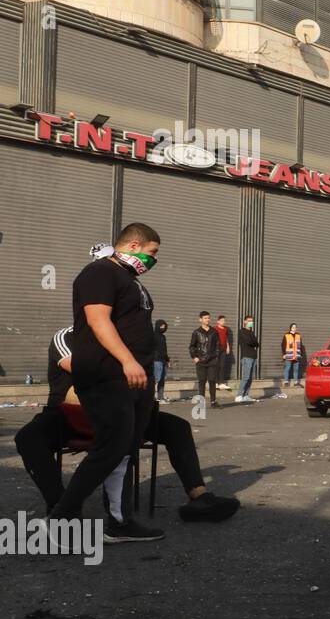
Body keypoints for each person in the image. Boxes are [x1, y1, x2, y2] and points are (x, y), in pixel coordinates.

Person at [17, 326, 240, 533]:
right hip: (69, 413)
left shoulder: (122, 340)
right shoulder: (66, 336)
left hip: (119, 413)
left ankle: (199, 497)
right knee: (28, 437)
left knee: (177, 427)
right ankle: (62, 508)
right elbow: (82, 369)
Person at [47, 224, 162, 530]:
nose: (154, 260)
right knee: (111, 445)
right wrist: (127, 361)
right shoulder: (99, 273)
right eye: (153, 253)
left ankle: (119, 520)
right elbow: (98, 321)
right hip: (106, 374)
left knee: (124, 449)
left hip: (134, 379)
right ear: (134, 245)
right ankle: (62, 516)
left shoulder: (129, 280)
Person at [189, 311, 220, 409]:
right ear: (200, 319)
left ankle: (213, 402)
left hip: (212, 361)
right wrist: (194, 357)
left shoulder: (214, 331)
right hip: (201, 361)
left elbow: (218, 345)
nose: (207, 320)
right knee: (202, 381)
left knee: (212, 381)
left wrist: (216, 356)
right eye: (205, 318)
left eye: (208, 318)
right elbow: (192, 346)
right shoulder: (196, 332)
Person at [236, 313, 259, 403]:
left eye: (252, 321)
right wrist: (253, 342)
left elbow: (257, 343)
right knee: (245, 377)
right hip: (246, 357)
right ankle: (239, 395)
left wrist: (253, 342)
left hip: (253, 356)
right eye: (249, 321)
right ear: (245, 321)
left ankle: (246, 395)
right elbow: (249, 342)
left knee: (250, 378)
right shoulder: (242, 331)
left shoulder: (252, 332)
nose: (251, 322)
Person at [152, 319, 171, 403]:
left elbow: (164, 349)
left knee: (162, 379)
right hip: (156, 361)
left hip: (163, 361)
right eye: (161, 325)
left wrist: (167, 360)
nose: (163, 327)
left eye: (164, 325)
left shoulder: (163, 337)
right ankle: (151, 397)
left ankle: (160, 397)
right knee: (156, 379)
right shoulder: (153, 335)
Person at [282, 323, 303, 389]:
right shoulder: (286, 335)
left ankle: (296, 382)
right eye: (293, 327)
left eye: (295, 327)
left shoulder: (298, 335)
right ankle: (286, 382)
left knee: (296, 369)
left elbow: (300, 346)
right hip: (289, 355)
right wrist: (284, 354)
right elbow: (283, 345)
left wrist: (301, 354)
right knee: (287, 368)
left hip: (296, 355)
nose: (294, 328)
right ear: (290, 328)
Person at [214, 315, 233, 390]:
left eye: (224, 320)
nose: (223, 322)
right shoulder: (215, 328)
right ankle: (215, 383)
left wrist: (228, 347)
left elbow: (226, 339)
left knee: (222, 366)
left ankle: (221, 383)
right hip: (216, 349)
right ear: (218, 321)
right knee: (216, 366)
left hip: (223, 349)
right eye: (221, 320)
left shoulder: (226, 329)